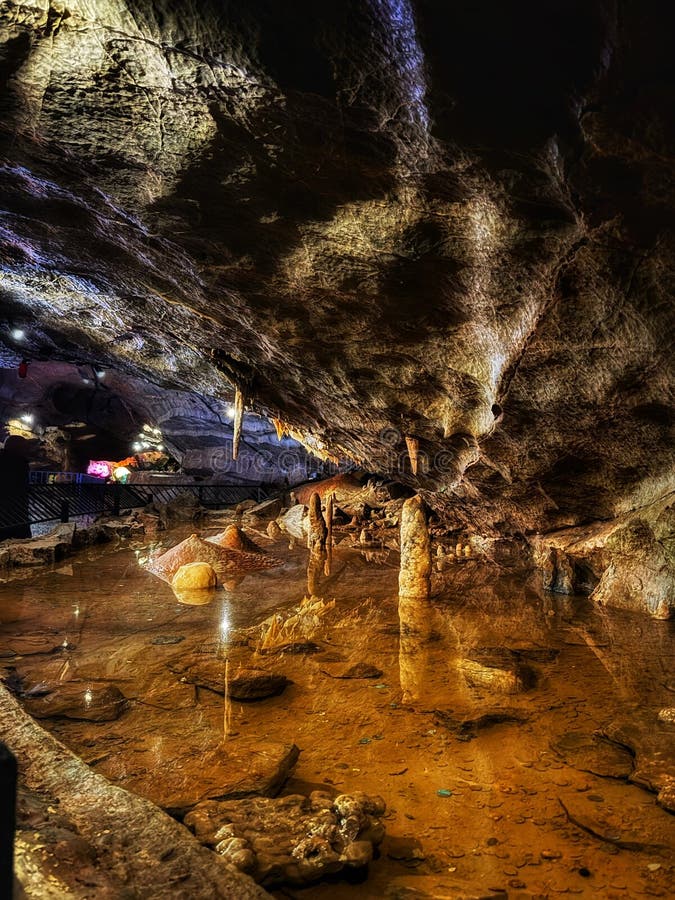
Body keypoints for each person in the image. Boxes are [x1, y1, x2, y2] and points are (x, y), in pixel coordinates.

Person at [0, 436, 31, 539]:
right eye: (25, 448)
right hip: (16, 508)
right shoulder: (20, 462)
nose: (27, 450)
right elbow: (21, 483)